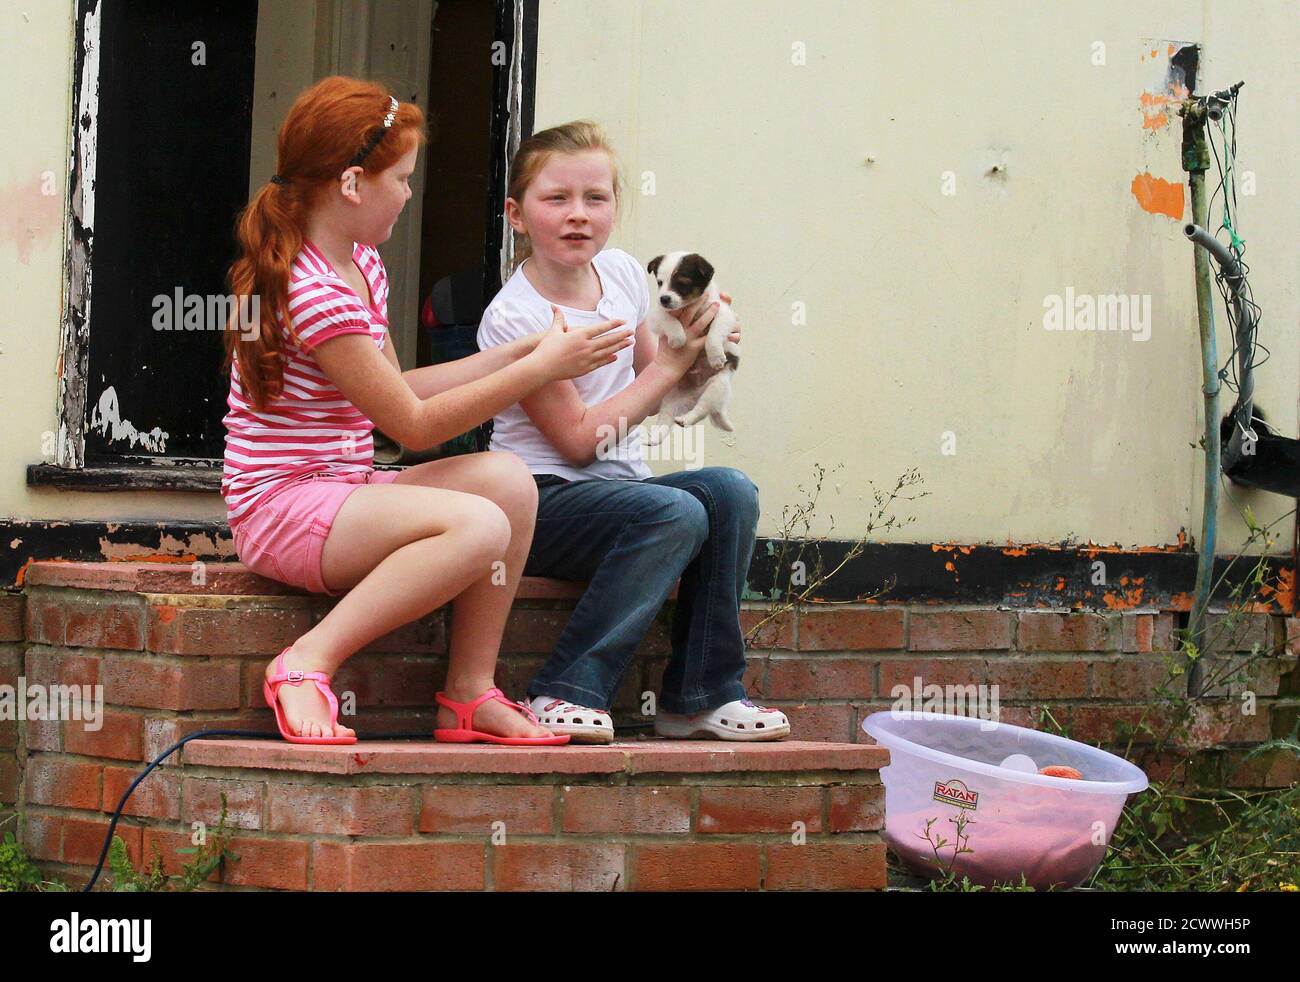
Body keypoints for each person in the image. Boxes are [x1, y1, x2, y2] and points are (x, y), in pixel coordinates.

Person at [220, 78, 633, 746]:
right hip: (282, 508)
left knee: (508, 482)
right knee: (476, 526)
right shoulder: (315, 290)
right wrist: (537, 370)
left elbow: (397, 385)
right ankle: (305, 663)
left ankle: (469, 694)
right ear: (353, 184)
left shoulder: (361, 262)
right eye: (403, 179)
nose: (410, 195)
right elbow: (410, 426)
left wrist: (522, 351)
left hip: (345, 490)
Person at [475, 120, 791, 743]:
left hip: (624, 495)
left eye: (596, 198)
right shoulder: (517, 313)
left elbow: (658, 381)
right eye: (556, 199)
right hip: (539, 502)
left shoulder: (620, 273)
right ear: (516, 213)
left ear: (616, 207)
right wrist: (671, 368)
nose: (578, 215)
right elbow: (575, 441)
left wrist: (702, 347)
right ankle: (563, 689)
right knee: (672, 511)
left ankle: (701, 696)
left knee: (731, 492)